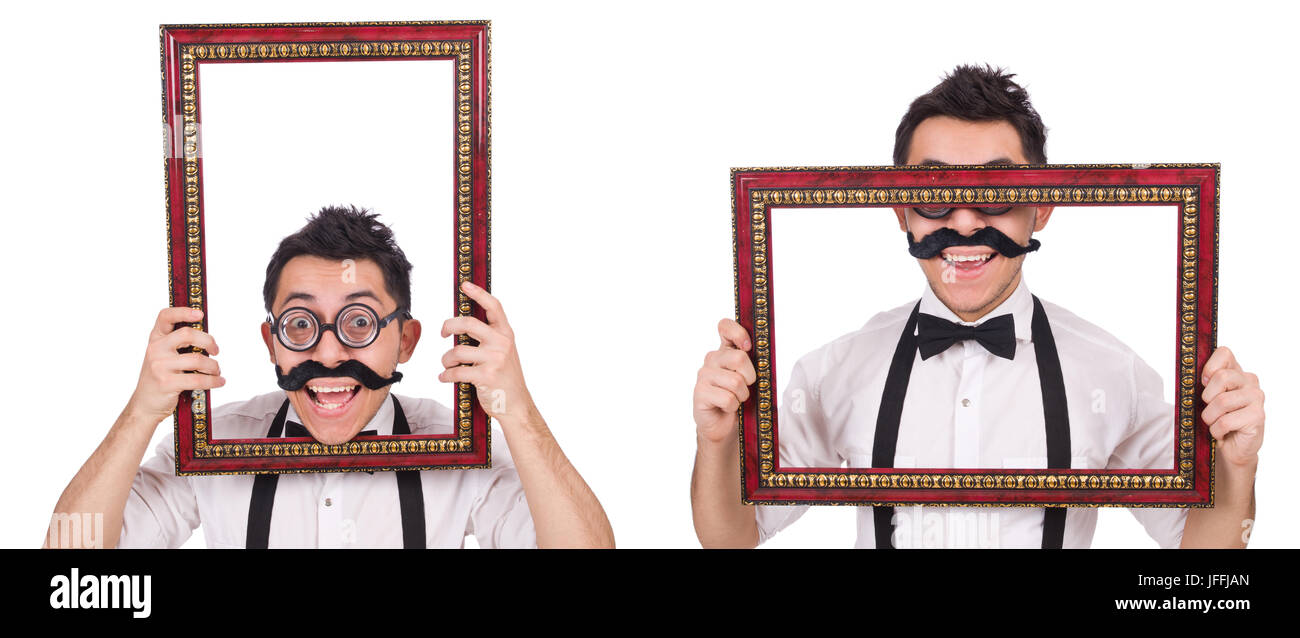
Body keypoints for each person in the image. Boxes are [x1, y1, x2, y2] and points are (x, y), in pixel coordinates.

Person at [690, 65, 1264, 549]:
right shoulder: (831, 373)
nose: (964, 220)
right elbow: (732, 537)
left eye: (996, 189)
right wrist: (716, 442)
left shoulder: (1112, 372)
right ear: (899, 210)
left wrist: (1236, 465)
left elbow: (1203, 549)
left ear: (1041, 207)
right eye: (935, 192)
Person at [45, 205, 614, 548]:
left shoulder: (458, 447)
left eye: (359, 321)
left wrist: (517, 408)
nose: (329, 352)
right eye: (299, 324)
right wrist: (141, 411)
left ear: (406, 341)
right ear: (271, 342)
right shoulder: (214, 446)